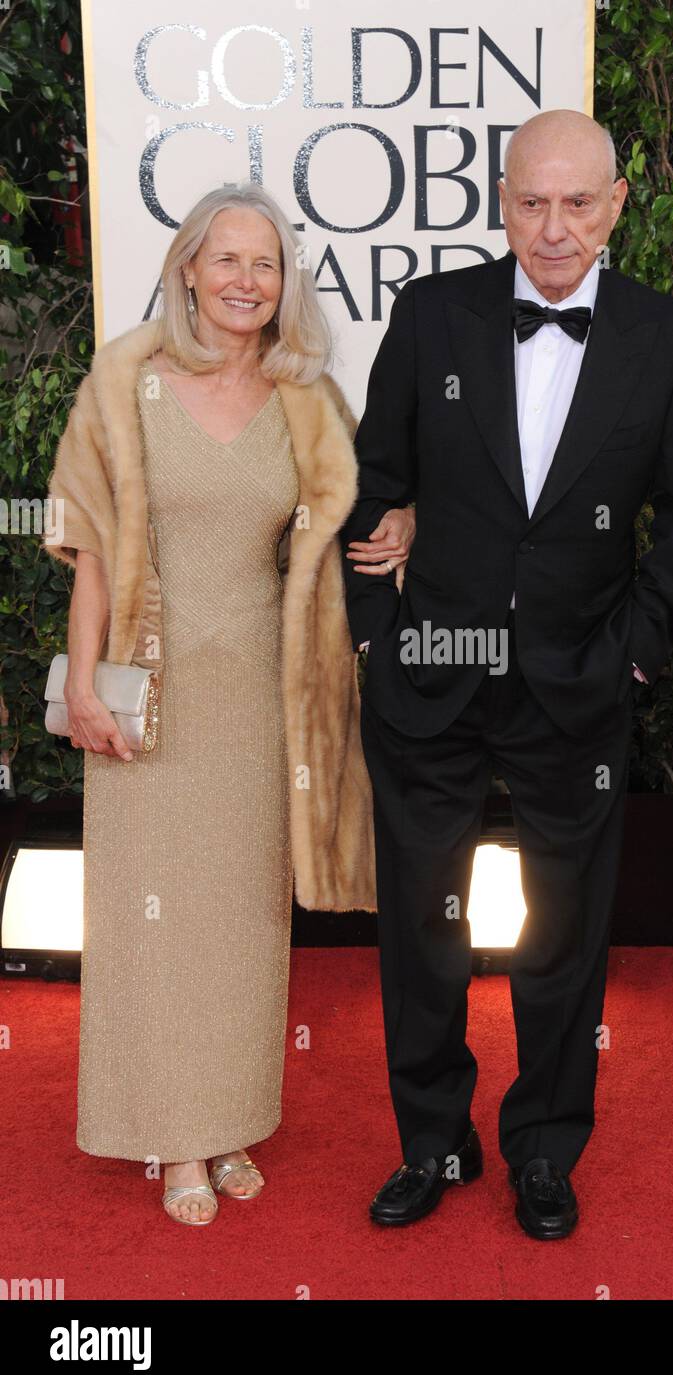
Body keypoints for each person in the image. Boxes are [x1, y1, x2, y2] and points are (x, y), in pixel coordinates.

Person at [340, 109, 673, 1238]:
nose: (551, 228)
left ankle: (545, 1147)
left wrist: (632, 659)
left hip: (577, 684)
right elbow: (372, 485)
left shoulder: (668, 338)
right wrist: (377, 638)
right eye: (529, 202)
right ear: (500, 202)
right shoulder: (434, 314)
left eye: (576, 203)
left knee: (563, 931)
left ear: (613, 204)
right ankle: (431, 1141)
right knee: (422, 929)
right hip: (430, 681)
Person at [42, 183, 411, 1225]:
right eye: (228, 260)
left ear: (283, 283)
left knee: (243, 922)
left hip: (262, 697)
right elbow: (93, 556)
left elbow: (359, 516)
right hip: (148, 688)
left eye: (267, 264)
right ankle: (173, 1137)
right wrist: (82, 685)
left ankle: (231, 1115)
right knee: (152, 919)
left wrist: (406, 528)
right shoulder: (123, 384)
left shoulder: (306, 397)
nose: (247, 281)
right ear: (188, 270)